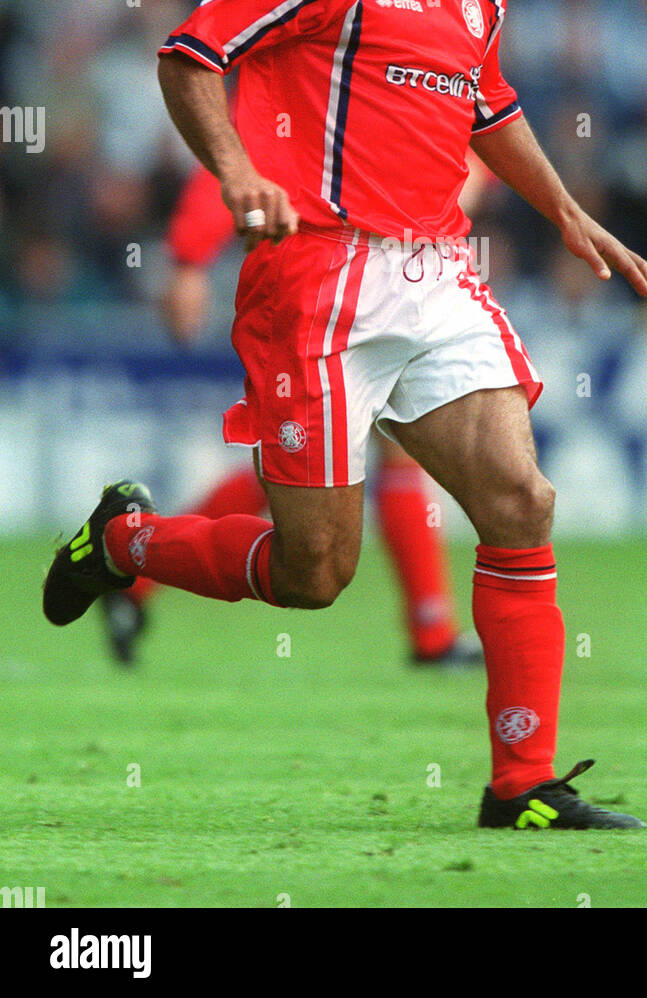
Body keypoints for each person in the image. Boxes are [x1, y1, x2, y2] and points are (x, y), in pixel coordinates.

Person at [44, 0, 647, 830]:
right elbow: (190, 56)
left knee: (520, 501)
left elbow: (489, 105)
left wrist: (564, 212)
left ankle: (522, 787)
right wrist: (238, 174)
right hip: (316, 280)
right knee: (313, 573)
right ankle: (127, 543)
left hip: (433, 274)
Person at [101, 153, 487, 668]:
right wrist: (190, 260)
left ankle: (432, 631)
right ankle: (130, 556)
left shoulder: (430, 84)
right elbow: (236, 146)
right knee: (313, 466)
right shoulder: (318, 83)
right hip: (320, 286)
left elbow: (475, 148)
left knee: (350, 458)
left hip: (395, 284)